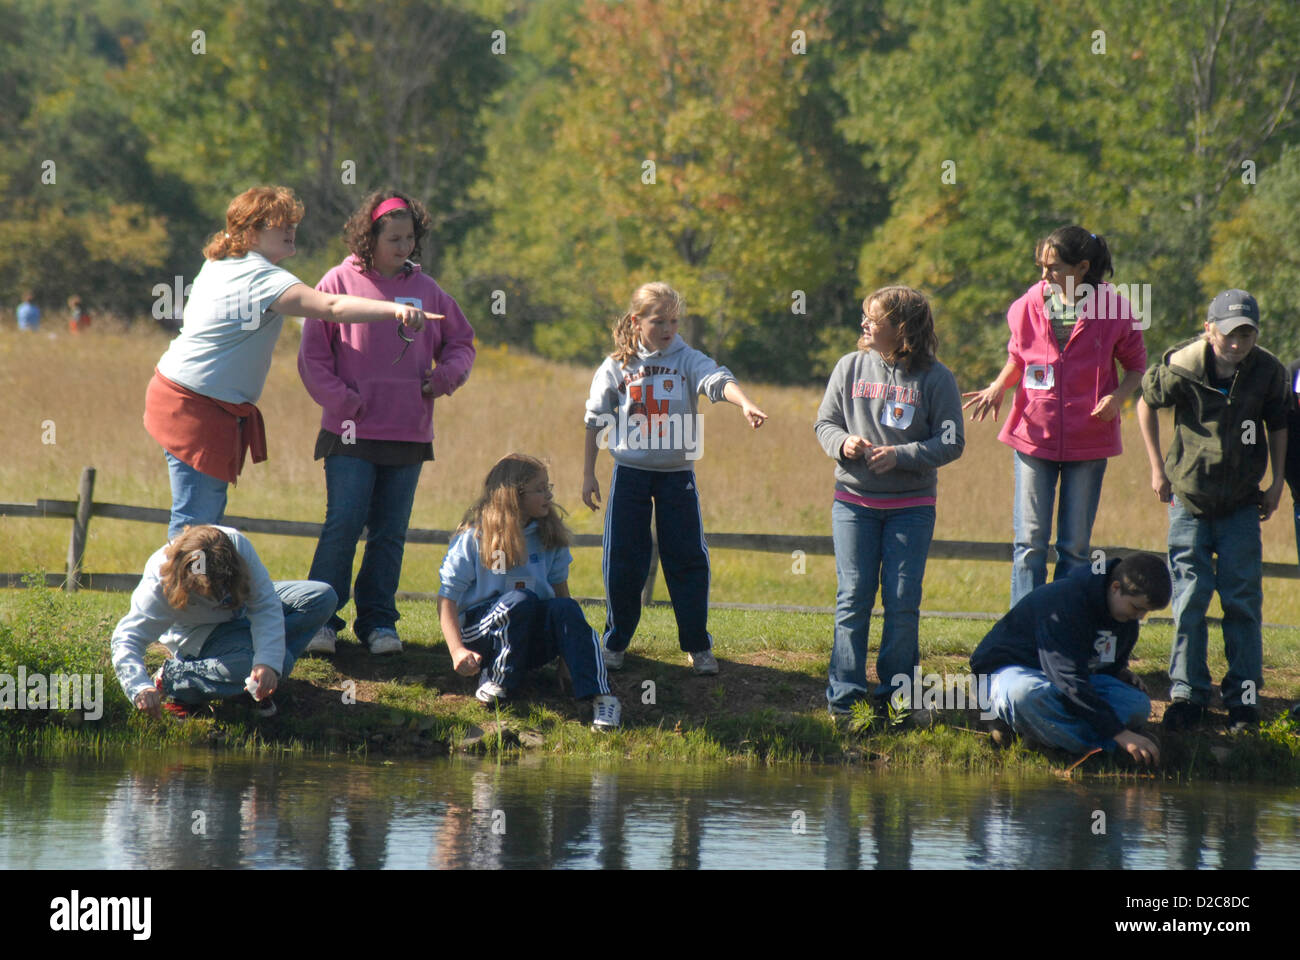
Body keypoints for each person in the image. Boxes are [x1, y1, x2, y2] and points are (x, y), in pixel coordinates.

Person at [142, 185, 442, 539]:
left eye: (293, 222)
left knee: (201, 517)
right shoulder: (259, 276)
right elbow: (332, 307)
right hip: (194, 406)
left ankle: (190, 592)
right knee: (195, 522)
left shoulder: (224, 261)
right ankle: (174, 593)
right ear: (252, 232)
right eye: (280, 224)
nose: (291, 229)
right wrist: (396, 309)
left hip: (192, 400)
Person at [298, 190, 476, 656]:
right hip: (349, 432)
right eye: (393, 238)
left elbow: (462, 344)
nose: (403, 247)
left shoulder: (430, 291)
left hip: (408, 431)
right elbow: (313, 359)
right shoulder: (336, 281)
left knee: (390, 532)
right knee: (344, 522)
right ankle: (321, 622)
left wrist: (444, 380)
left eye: (409, 238)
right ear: (369, 236)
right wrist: (344, 402)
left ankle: (378, 623)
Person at [582, 281, 768, 675]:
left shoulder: (687, 359)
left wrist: (745, 403)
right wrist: (588, 474)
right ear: (637, 321)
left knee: (686, 559)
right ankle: (615, 642)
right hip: (629, 474)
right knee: (623, 561)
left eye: (674, 321)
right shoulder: (616, 365)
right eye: (658, 321)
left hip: (676, 478)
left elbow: (717, 381)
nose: (668, 329)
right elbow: (594, 419)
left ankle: (698, 646)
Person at [963, 227, 1146, 607]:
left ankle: (1064, 627)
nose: (1043, 276)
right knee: (1029, 543)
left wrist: (1117, 397)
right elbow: (1018, 356)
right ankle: (1024, 631)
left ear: (1082, 267)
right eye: (1041, 267)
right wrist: (998, 386)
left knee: (1075, 547)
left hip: (1089, 440)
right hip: (1033, 435)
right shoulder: (1028, 304)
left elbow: (1135, 368)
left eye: (1053, 267)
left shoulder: (1116, 310)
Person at [1137, 289, 1290, 733]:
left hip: (1242, 504)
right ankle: (1188, 694)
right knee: (1190, 600)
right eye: (1229, 334)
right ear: (1210, 330)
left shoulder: (1267, 371)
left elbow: (1277, 424)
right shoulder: (1183, 365)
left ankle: (1244, 697)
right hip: (1189, 500)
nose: (1237, 343)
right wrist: (1155, 467)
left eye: (1246, 334)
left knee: (1242, 600)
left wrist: (1277, 481)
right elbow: (1146, 404)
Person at [814, 286, 965, 716]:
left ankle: (897, 699)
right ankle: (844, 701)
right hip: (853, 505)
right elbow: (824, 423)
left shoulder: (938, 378)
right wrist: (843, 443)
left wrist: (902, 456)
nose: (864, 324)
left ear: (902, 328)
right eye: (865, 315)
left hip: (912, 509)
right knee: (853, 597)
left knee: (901, 601)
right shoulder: (849, 367)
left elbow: (952, 442)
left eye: (873, 318)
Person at [438, 454, 621, 731]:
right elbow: (447, 599)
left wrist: (565, 657)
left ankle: (603, 697)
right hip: (483, 639)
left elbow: (562, 596)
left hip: (528, 637)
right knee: (521, 601)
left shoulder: (549, 536)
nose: (548, 495)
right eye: (539, 489)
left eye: (549, 487)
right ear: (514, 496)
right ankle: (496, 679)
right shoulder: (474, 538)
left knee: (567, 609)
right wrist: (456, 651)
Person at [110, 524, 336, 719]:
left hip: (241, 617)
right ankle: (173, 678)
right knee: (281, 661)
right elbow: (126, 639)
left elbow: (265, 604)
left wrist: (266, 663)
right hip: (199, 635)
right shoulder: (158, 584)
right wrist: (139, 687)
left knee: (321, 597)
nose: (219, 596)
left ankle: (248, 685)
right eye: (205, 589)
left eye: (222, 585)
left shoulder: (237, 544)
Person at [970, 552, 1170, 764]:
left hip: (1061, 682)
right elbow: (1069, 681)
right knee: (1026, 695)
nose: (1140, 617)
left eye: (1146, 611)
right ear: (1115, 587)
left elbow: (1101, 663)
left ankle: (1039, 734)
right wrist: (1120, 734)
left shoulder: (1124, 616)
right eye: (1137, 608)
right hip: (1011, 671)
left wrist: (1119, 672)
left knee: (1137, 704)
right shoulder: (1064, 603)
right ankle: (1102, 749)